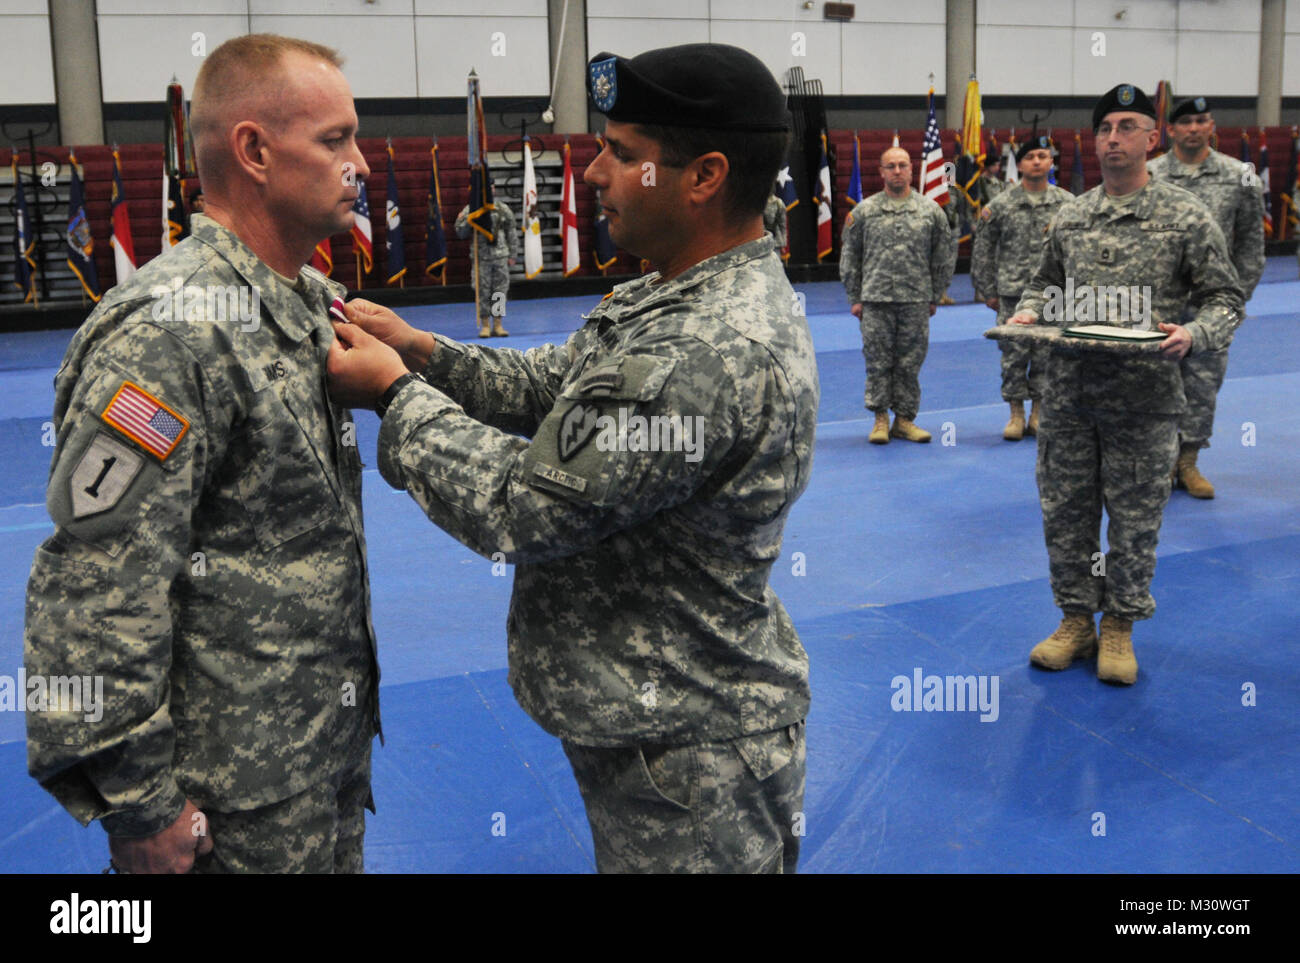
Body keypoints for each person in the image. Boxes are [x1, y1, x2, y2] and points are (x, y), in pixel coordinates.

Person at [327, 43, 818, 873]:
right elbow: (548, 387)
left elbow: (526, 507)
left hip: (690, 749)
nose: (591, 174)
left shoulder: (706, 345)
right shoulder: (666, 290)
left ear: (703, 177)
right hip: (653, 719)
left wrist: (394, 398)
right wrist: (419, 352)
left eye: (622, 155)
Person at [24, 34, 380, 873]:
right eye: (336, 140)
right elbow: (96, 580)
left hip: (317, 759)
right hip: (223, 799)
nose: (360, 163)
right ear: (254, 151)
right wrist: (138, 801)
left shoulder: (302, 300)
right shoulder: (167, 332)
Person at [1008, 84, 1243, 685]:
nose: (1114, 137)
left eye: (1128, 126)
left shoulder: (1187, 217)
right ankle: (1075, 619)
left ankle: (1120, 625)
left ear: (1151, 139)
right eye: (1106, 126)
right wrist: (1032, 311)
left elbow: (1224, 298)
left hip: (1144, 399)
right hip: (1068, 397)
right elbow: (1043, 284)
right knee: (1067, 514)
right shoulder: (1072, 215)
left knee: (1135, 518)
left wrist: (1194, 333)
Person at [1147, 97, 1266, 499]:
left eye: (1202, 121)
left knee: (1203, 384)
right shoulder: (1150, 173)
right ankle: (1161, 462)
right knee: (1157, 382)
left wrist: (1237, 297)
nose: (1195, 128)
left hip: (1212, 303)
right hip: (1159, 302)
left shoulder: (1241, 175)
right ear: (1172, 130)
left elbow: (1251, 241)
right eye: (1186, 122)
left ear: (1212, 125)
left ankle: (1189, 461)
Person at [839, 146, 955, 444]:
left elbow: (942, 257)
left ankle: (904, 420)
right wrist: (855, 296)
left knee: (910, 363)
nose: (897, 171)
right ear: (881, 172)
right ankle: (880, 419)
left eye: (903, 165)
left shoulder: (930, 211)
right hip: (875, 300)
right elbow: (850, 257)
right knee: (877, 361)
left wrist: (935, 294)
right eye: (890, 166)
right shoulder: (863, 212)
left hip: (915, 300)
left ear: (912, 170)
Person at [971, 135, 1074, 440]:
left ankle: (1039, 412)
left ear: (1051, 162)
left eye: (1043, 156)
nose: (1037, 162)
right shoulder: (1001, 204)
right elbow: (983, 249)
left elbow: (1076, 249)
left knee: (1047, 355)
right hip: (1012, 292)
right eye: (1030, 157)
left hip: (1053, 293)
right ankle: (1015, 413)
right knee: (1013, 356)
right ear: (1020, 163)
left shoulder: (1068, 204)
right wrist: (987, 289)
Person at [454, 196, 517, 338]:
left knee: (500, 291)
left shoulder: (502, 208)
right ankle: (485, 325)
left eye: (492, 186)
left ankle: (498, 324)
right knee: (482, 291)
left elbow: (511, 232)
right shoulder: (472, 208)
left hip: (500, 257)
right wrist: (471, 220)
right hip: (481, 258)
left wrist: (513, 254)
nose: (490, 189)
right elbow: (460, 232)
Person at [763, 190, 788, 258]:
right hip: (761, 240)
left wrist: (783, 245)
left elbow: (783, 225)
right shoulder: (758, 202)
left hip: (776, 241)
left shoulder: (778, 202)